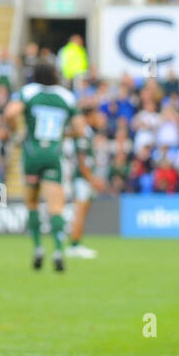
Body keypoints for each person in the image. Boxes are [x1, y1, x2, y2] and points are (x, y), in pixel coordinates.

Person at [5, 61, 77, 272]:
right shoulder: (66, 97)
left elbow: (10, 113)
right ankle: (57, 250)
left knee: (32, 203)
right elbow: (80, 126)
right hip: (54, 154)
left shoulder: (28, 92)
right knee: (56, 207)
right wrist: (65, 133)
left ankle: (37, 248)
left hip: (32, 154)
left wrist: (16, 131)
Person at [63, 111, 105, 258]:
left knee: (81, 212)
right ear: (90, 116)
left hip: (83, 178)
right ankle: (74, 245)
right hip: (82, 179)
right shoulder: (83, 135)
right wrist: (92, 179)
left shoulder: (86, 134)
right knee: (79, 212)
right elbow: (82, 162)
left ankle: (76, 243)